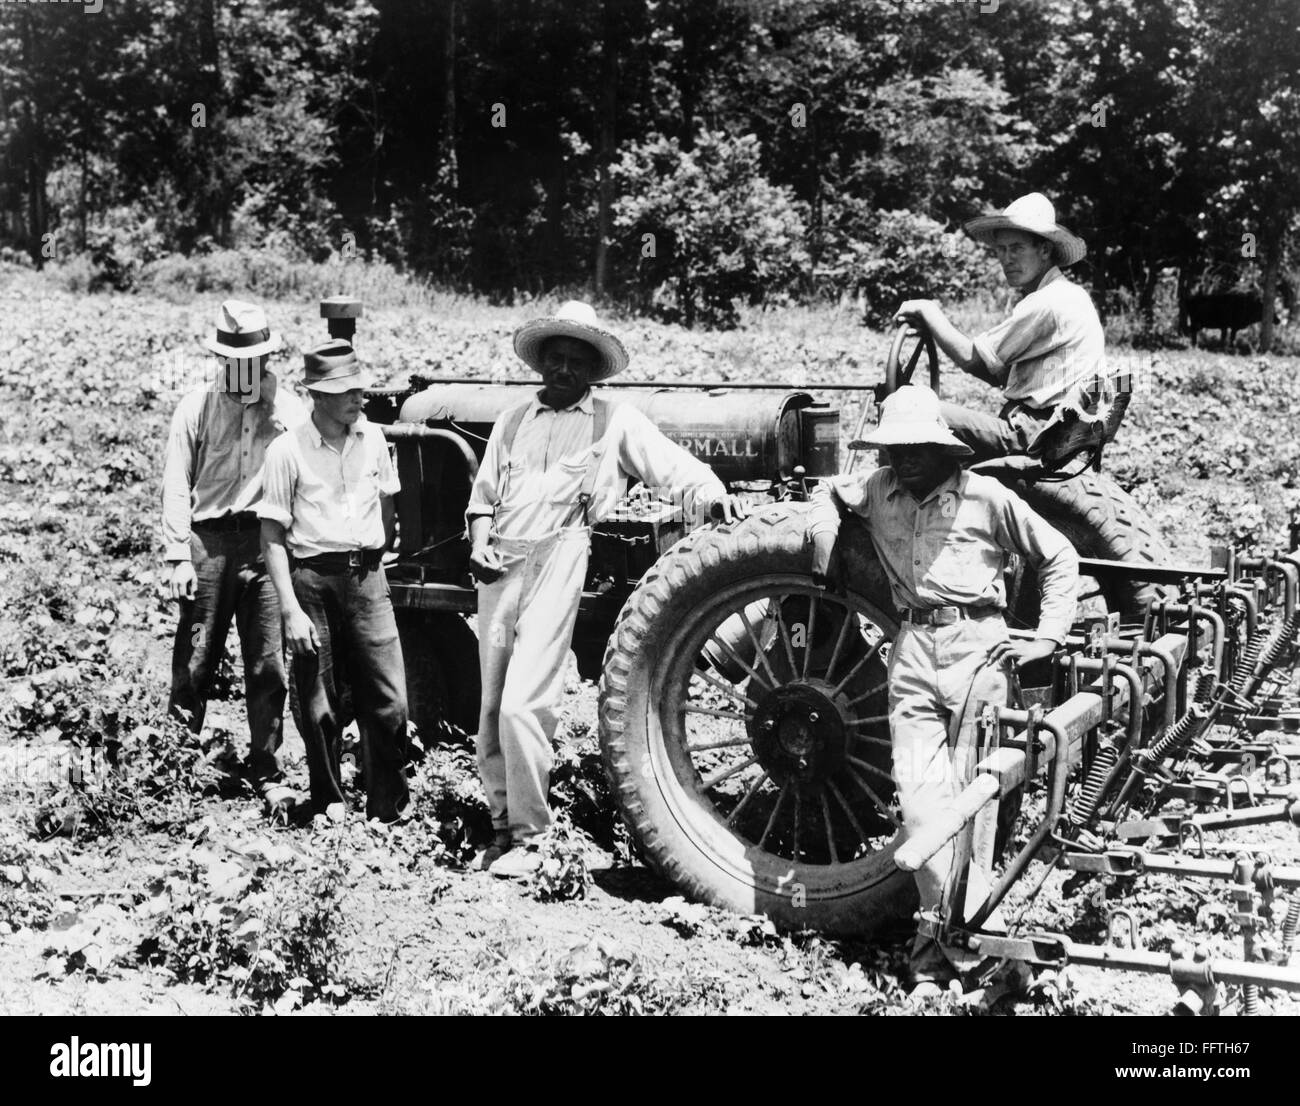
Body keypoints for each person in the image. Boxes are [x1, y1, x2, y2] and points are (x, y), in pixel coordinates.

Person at [807, 384, 1078, 993]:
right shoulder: (879, 489)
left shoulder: (985, 496)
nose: (900, 460)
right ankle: (970, 945)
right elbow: (827, 492)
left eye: (913, 450)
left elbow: (1059, 556)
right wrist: (823, 541)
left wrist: (1047, 637)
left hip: (977, 651)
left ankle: (956, 952)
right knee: (921, 801)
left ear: (942, 450)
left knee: (973, 805)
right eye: (892, 449)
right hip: (911, 651)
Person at [466, 300, 746, 877]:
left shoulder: (613, 420)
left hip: (559, 556)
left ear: (594, 370)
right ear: (540, 362)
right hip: (499, 565)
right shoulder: (512, 421)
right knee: (492, 704)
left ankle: (531, 838)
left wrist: (712, 495)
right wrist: (477, 542)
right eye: (556, 358)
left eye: (577, 361)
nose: (564, 369)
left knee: (524, 703)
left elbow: (673, 468)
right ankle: (499, 827)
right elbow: (483, 499)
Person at [258, 339, 410, 823]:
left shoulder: (374, 441)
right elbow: (273, 536)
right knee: (317, 701)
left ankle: (388, 807)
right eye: (346, 392)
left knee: (390, 700)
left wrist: (371, 560)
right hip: (311, 582)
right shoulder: (287, 450)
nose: (358, 399)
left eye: (359, 390)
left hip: (367, 577)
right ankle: (329, 804)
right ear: (317, 396)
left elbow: (386, 508)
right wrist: (289, 609)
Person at [161, 299, 304, 801]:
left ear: (267, 360)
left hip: (266, 546)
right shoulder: (197, 406)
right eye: (234, 361)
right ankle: (175, 759)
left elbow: (304, 480)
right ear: (221, 359)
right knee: (197, 656)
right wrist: (179, 554)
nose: (244, 371)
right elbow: (177, 483)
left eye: (255, 362)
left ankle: (265, 762)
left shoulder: (288, 409)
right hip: (210, 544)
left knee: (268, 661)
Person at [893, 192, 1106, 461]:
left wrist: (928, 310)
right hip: (1054, 431)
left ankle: (902, 498)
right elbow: (998, 373)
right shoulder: (1068, 295)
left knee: (909, 411)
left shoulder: (1049, 302)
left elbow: (972, 360)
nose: (1007, 259)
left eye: (1017, 248)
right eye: (1001, 250)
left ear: (1044, 250)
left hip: (1037, 435)